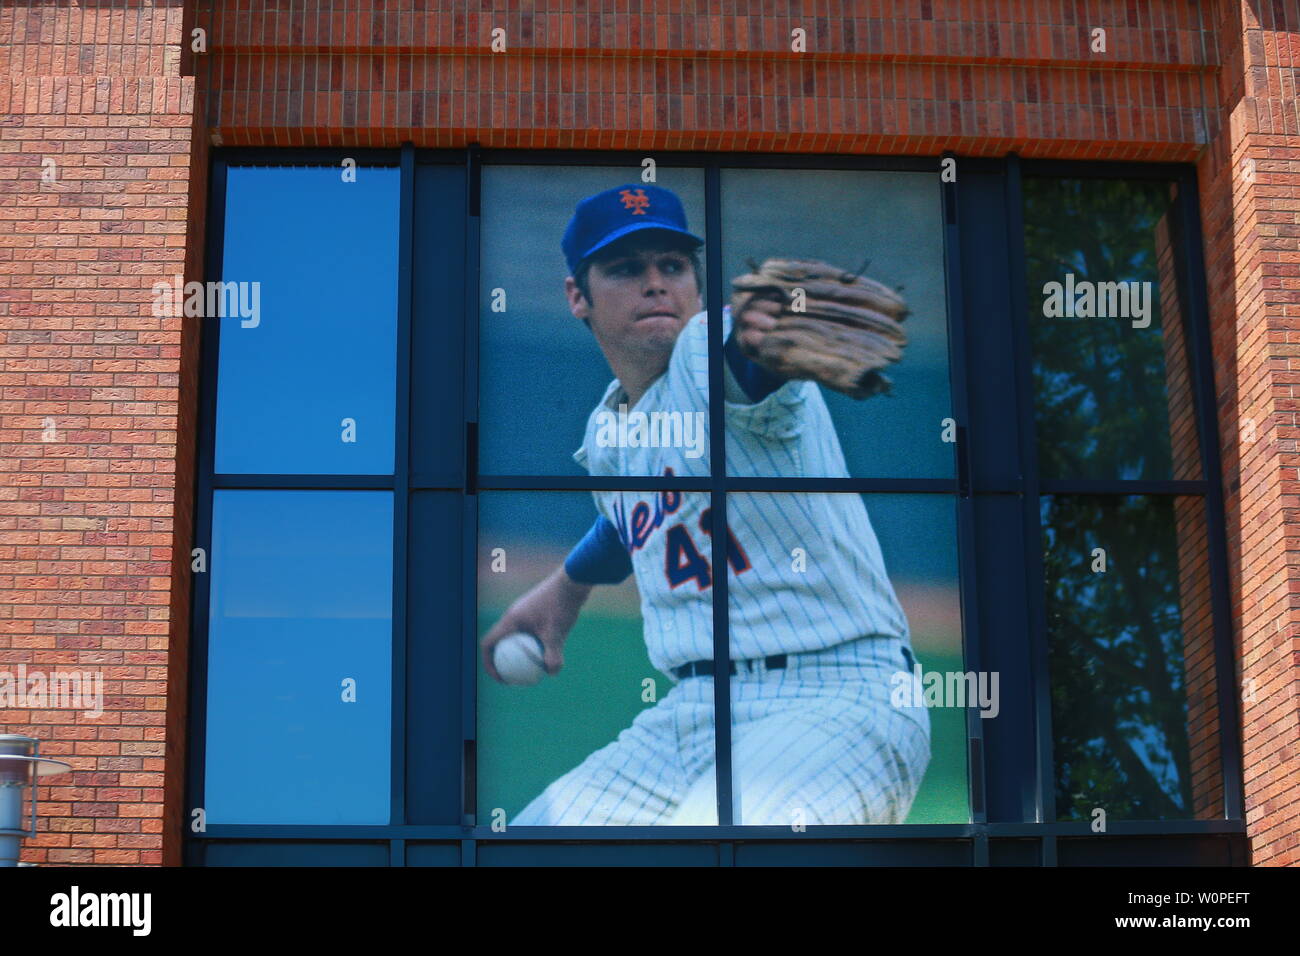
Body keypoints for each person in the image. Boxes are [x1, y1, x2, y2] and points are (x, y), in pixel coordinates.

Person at [481, 183, 930, 826]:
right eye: (627, 268)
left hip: (837, 699)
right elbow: (633, 524)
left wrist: (775, 329)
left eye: (673, 265)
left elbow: (740, 358)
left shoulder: (705, 351)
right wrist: (564, 589)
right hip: (690, 715)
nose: (656, 283)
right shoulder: (608, 434)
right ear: (577, 296)